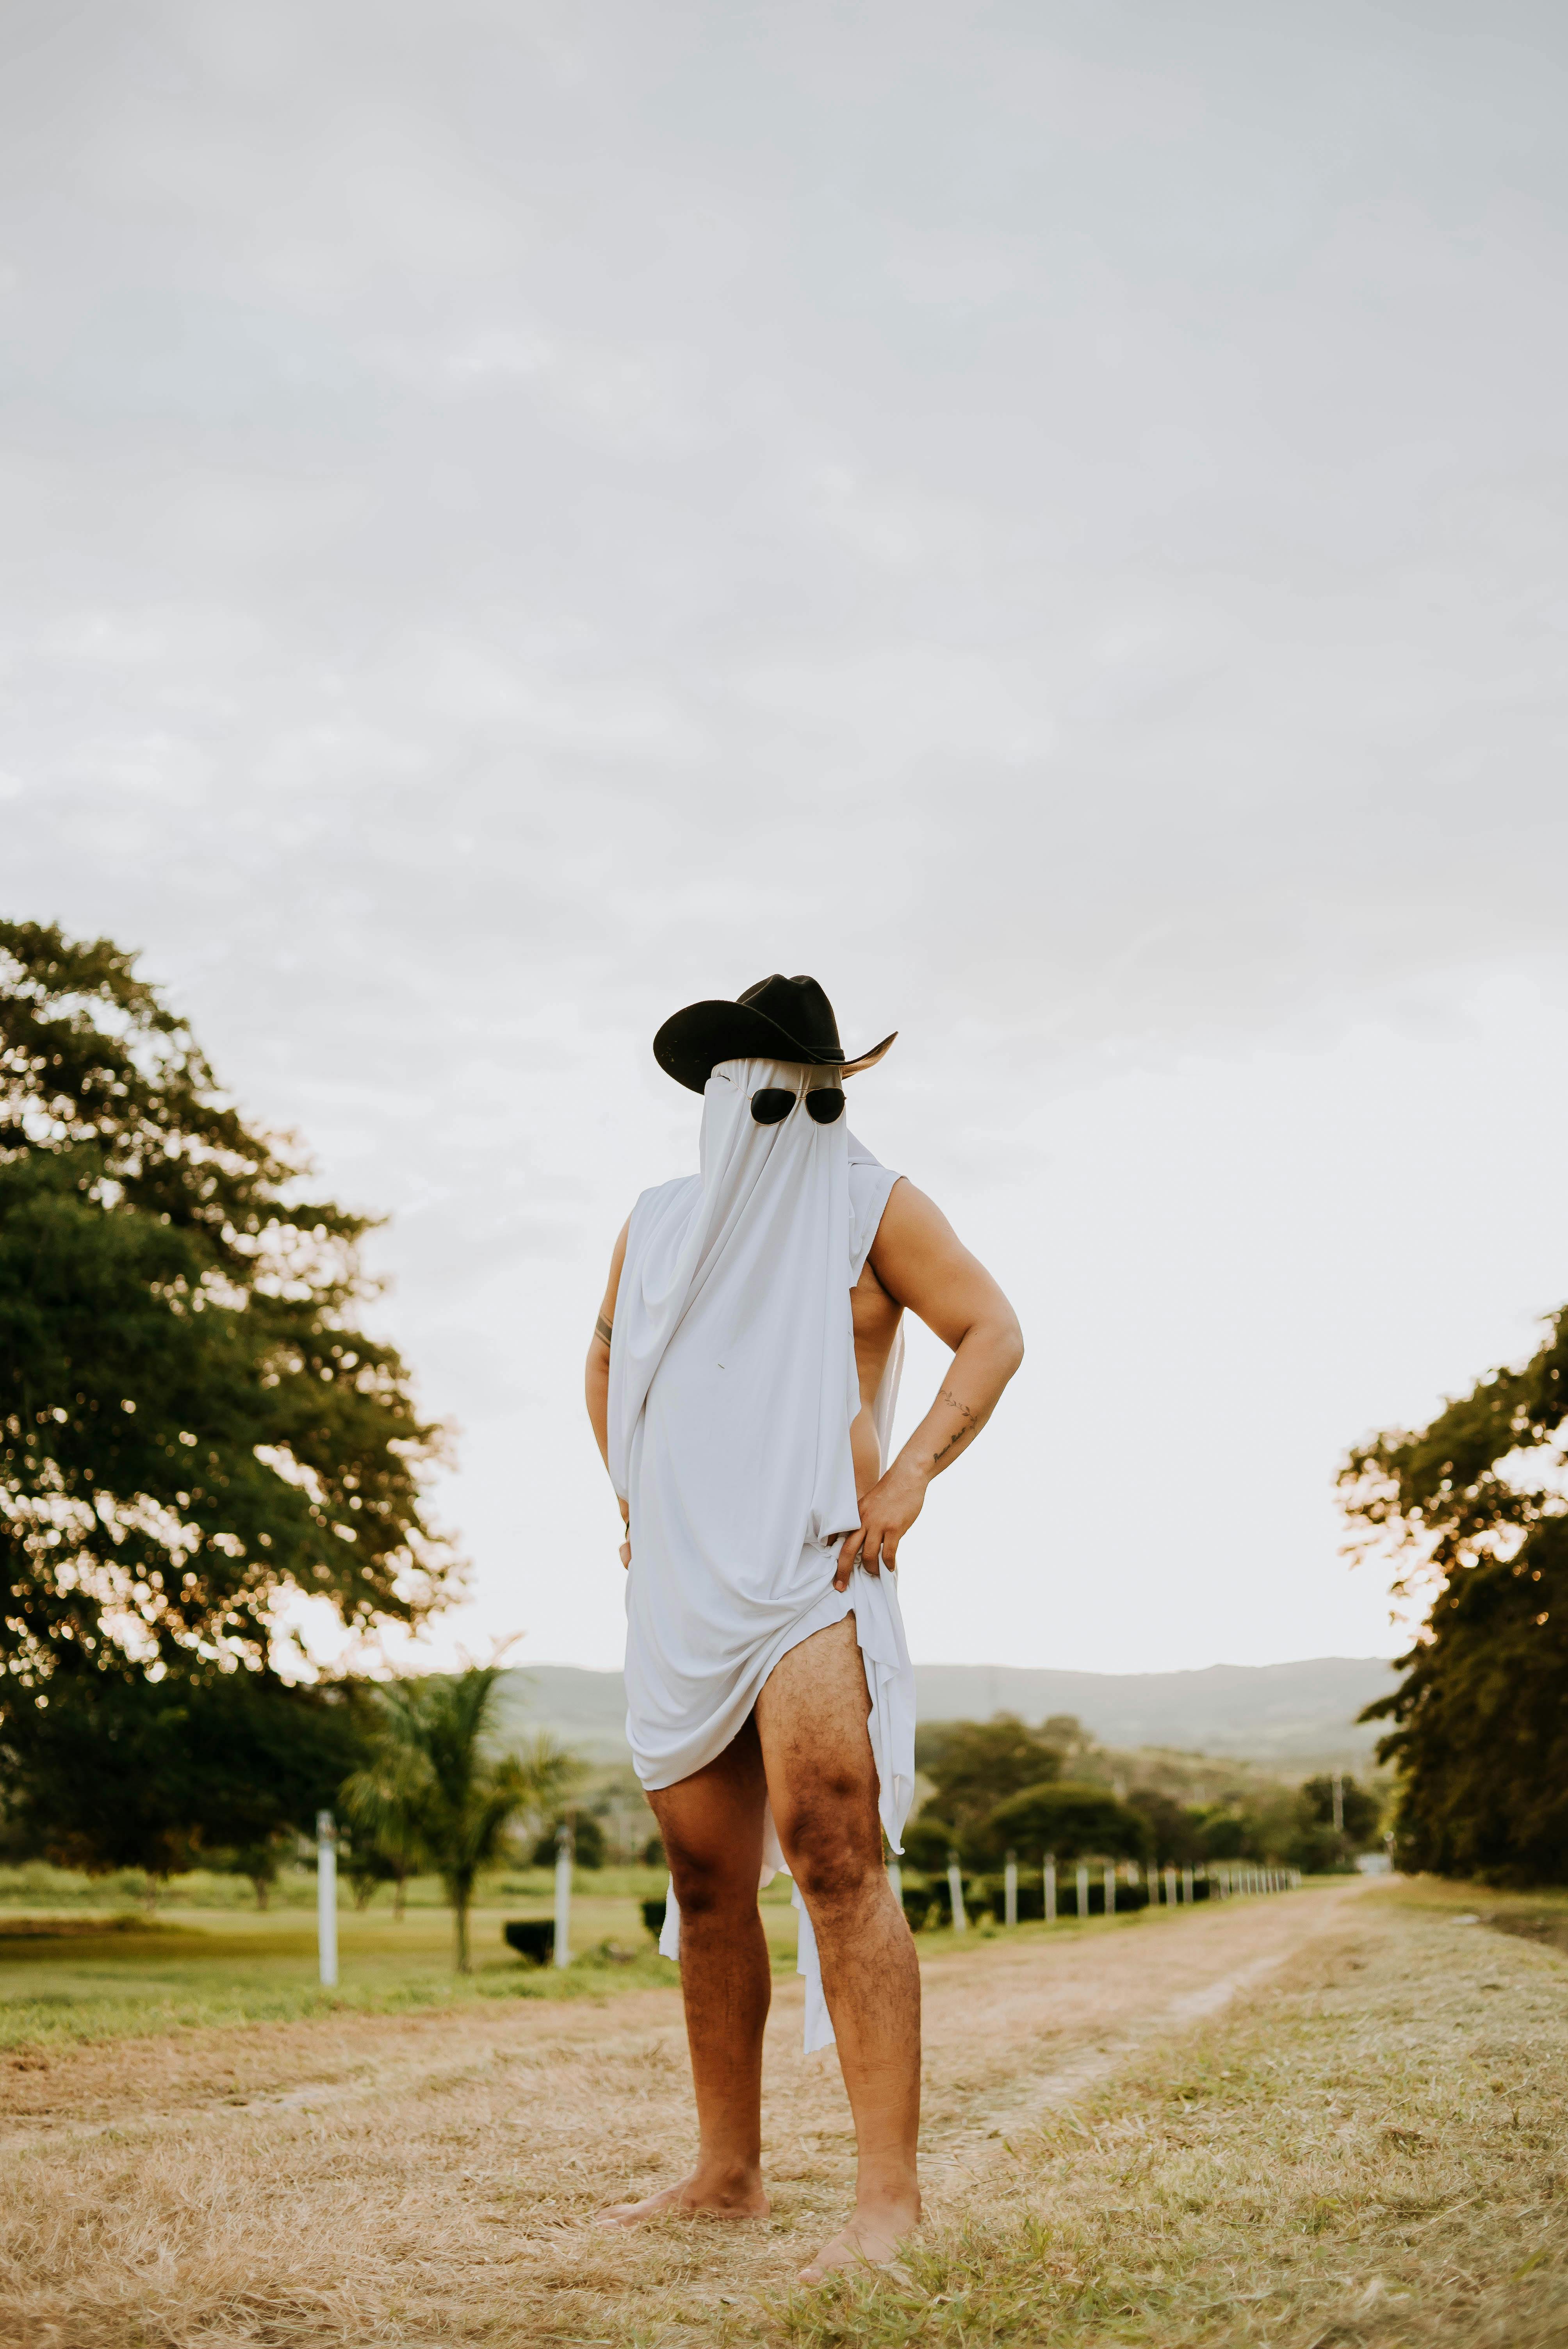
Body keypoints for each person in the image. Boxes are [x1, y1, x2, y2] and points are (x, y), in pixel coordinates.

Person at [583, 974, 1023, 2283]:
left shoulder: (871, 1203)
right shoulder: (659, 1225)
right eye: (774, 1091)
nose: (801, 1113)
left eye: (821, 1092)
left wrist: (910, 1477)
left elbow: (991, 1332)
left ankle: (888, 2197)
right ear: (726, 1097)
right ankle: (728, 2175)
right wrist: (632, 1495)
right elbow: (606, 1365)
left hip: (814, 1568)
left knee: (835, 1850)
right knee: (707, 1881)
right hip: (682, 1578)